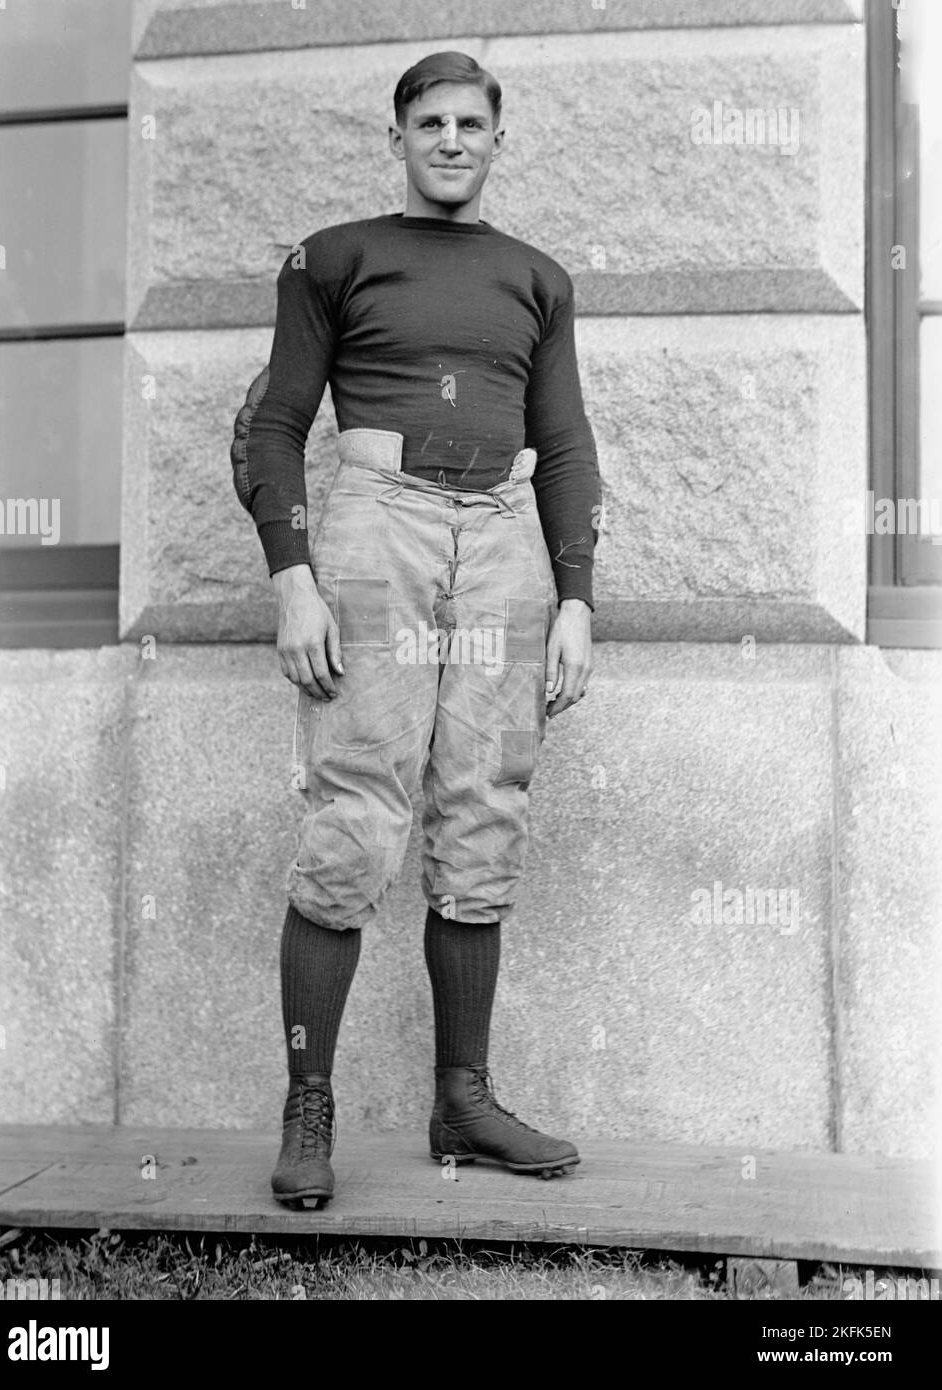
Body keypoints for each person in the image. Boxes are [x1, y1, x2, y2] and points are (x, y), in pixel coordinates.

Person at [230, 50, 602, 1209]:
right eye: (429, 122)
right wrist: (292, 574)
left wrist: (579, 596)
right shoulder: (332, 257)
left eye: (470, 123)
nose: (450, 139)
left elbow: (571, 444)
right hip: (376, 526)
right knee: (355, 817)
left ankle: (464, 1098)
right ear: (397, 137)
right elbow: (273, 424)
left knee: (483, 809)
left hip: (502, 535)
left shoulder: (537, 278)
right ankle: (309, 1106)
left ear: (499, 138)